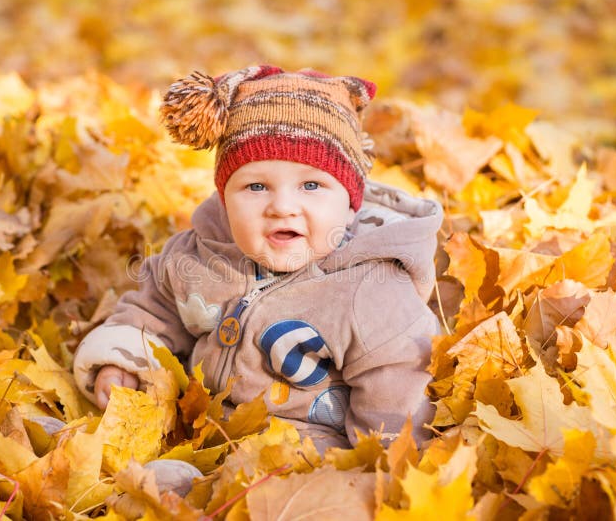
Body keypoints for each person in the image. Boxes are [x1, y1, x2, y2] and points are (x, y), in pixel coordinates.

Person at [73, 65, 442, 464]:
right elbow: (155, 309)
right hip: (197, 422)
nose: (282, 206)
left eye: (311, 185)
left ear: (350, 205)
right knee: (107, 459)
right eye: (256, 186)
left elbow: (397, 382)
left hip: (307, 447)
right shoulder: (200, 255)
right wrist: (123, 362)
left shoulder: (371, 288)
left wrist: (381, 465)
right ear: (225, 198)